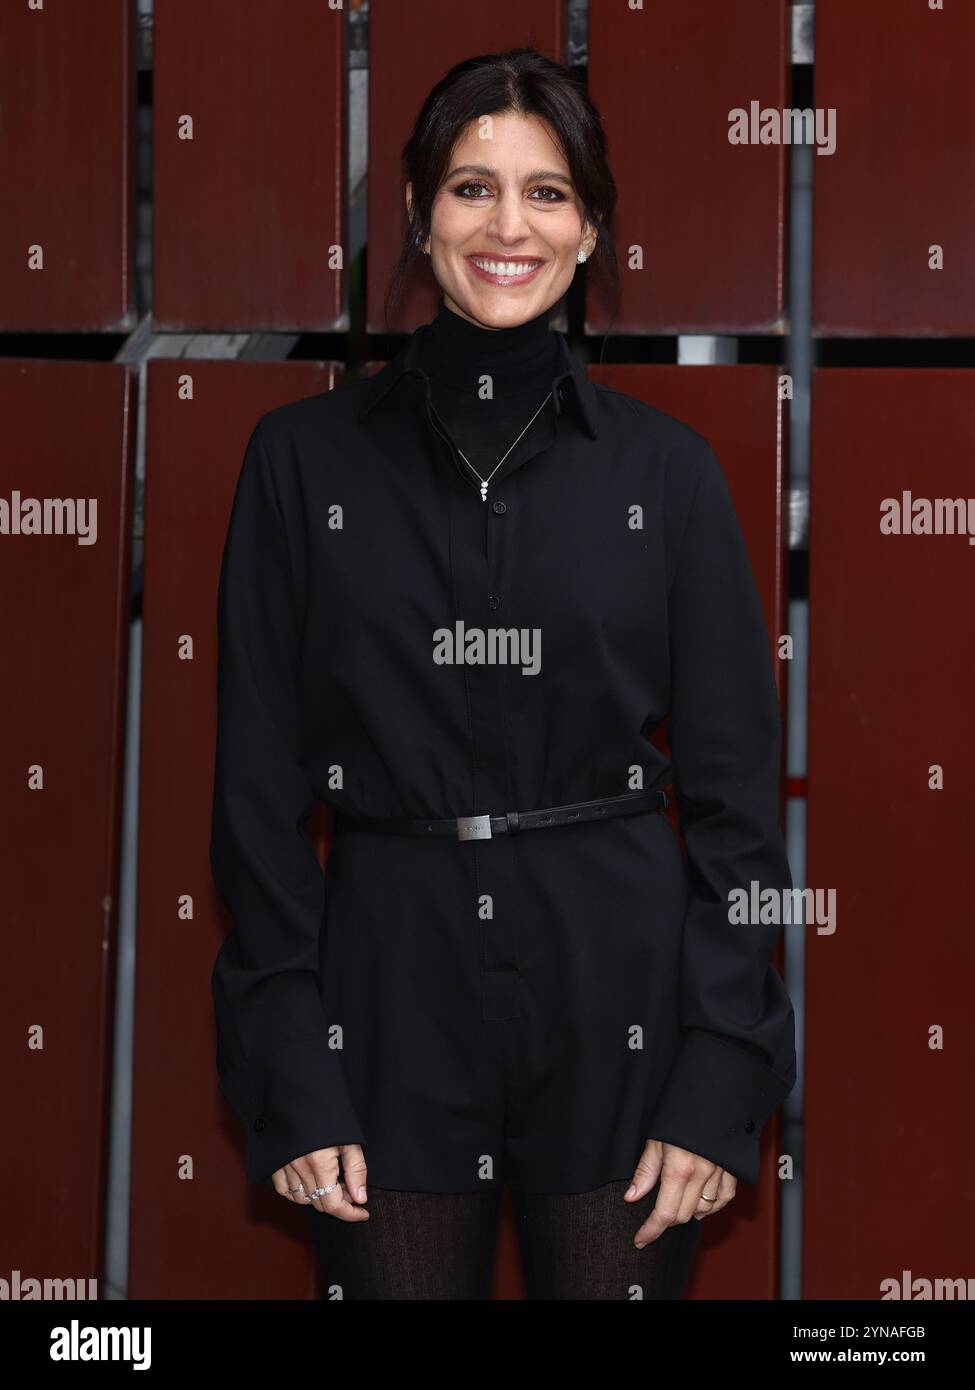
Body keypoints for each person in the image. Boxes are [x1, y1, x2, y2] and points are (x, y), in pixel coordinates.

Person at [208, 47, 796, 1301]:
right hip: (384, 1004)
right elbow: (255, 798)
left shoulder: (672, 478)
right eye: (473, 187)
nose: (507, 224)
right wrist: (289, 1065)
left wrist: (721, 1067)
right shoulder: (300, 464)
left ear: (591, 230)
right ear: (420, 215)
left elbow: (744, 812)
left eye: (546, 192)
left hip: (620, 1002)